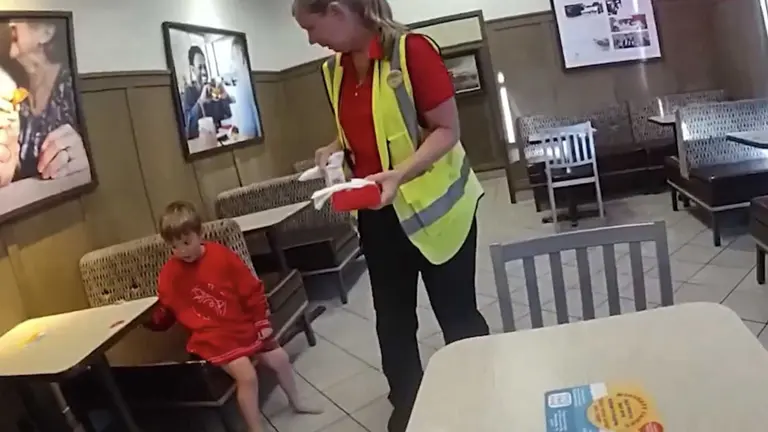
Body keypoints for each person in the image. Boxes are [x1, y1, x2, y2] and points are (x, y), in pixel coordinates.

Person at [292, 1, 490, 430]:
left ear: (338, 11)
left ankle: (480, 397)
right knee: (393, 319)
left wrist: (400, 174)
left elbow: (447, 130)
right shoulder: (334, 71)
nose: (310, 40)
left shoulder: (412, 51)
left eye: (312, 27)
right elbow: (364, 127)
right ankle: (409, 406)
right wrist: (334, 147)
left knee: (457, 314)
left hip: (440, 210)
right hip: (380, 214)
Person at [147, 201, 321, 432]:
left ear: (200, 233)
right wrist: (151, 321)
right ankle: (255, 429)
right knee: (247, 377)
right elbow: (168, 309)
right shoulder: (170, 273)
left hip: (241, 325)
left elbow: (250, 289)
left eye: (187, 242)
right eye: (174, 246)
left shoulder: (221, 256)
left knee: (280, 358)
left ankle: (296, 402)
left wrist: (260, 321)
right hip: (211, 338)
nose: (182, 251)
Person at [0, 19, 88, 187]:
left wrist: (83, 158)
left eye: (21, 19)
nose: (10, 23)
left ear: (47, 33)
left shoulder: (71, 86)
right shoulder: (11, 86)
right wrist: (8, 163)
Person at [181, 46, 234, 140]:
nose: (204, 71)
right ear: (193, 69)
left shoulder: (213, 88)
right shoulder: (189, 92)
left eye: (205, 66)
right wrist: (201, 101)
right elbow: (189, 128)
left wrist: (225, 97)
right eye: (200, 67)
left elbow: (228, 115)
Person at [228, 38, 262, 139]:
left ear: (241, 55)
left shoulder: (242, 84)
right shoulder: (258, 80)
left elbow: (248, 132)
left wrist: (234, 137)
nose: (233, 64)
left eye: (233, 57)